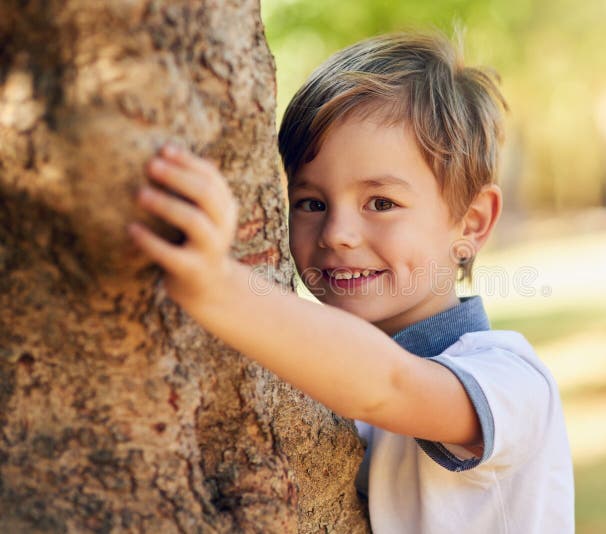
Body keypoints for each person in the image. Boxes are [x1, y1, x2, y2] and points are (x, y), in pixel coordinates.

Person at [128, 31, 574, 533]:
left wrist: (217, 288)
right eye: (311, 203)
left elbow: (387, 384)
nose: (337, 234)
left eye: (381, 203)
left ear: (470, 223)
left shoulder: (510, 380)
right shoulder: (317, 383)